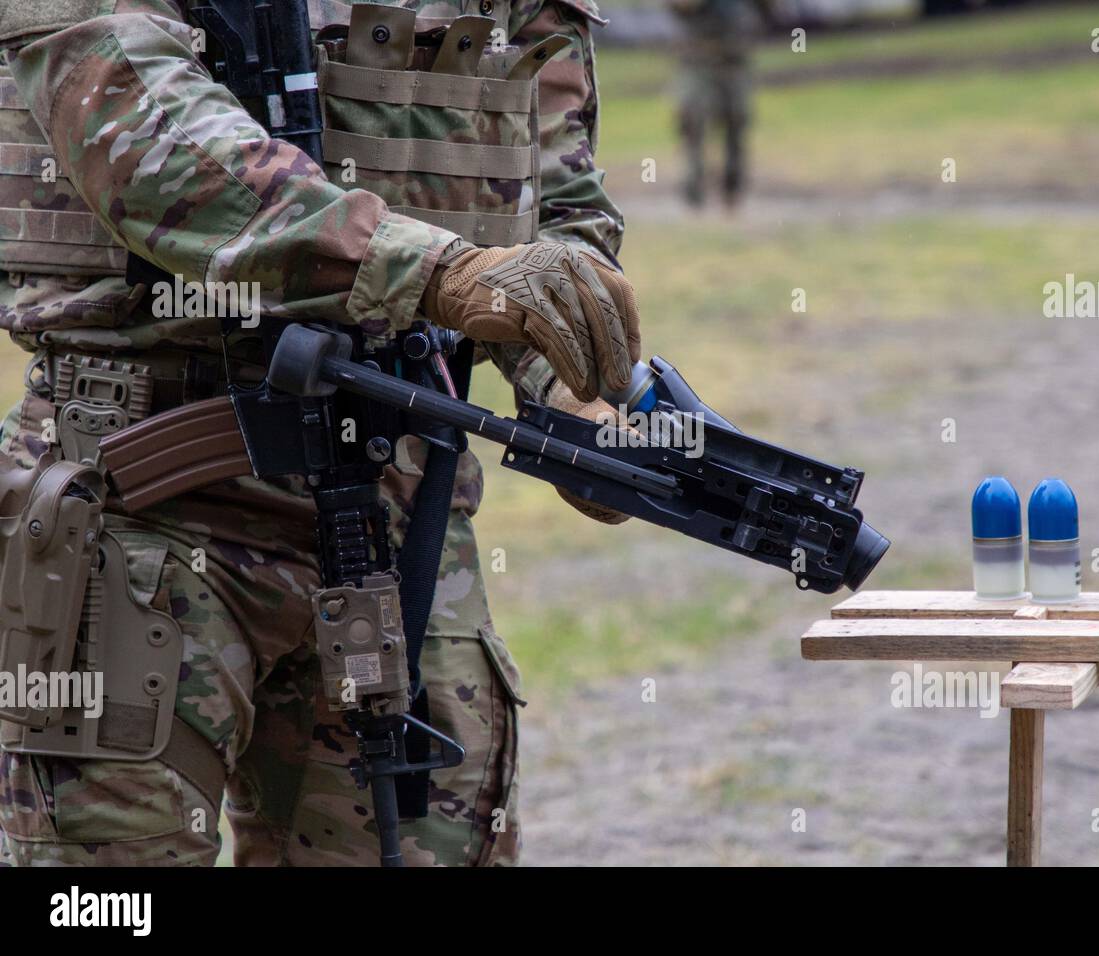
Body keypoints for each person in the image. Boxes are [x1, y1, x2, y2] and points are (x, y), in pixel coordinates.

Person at [0, 0, 637, 866]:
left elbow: (550, 199)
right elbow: (149, 142)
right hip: (137, 491)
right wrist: (437, 273)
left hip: (400, 497)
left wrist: (568, 383)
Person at [668, 0, 776, 208]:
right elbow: (679, 7)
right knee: (693, 120)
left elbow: (771, 10)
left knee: (737, 120)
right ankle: (693, 189)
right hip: (698, 60)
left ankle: (733, 188)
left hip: (735, 59)